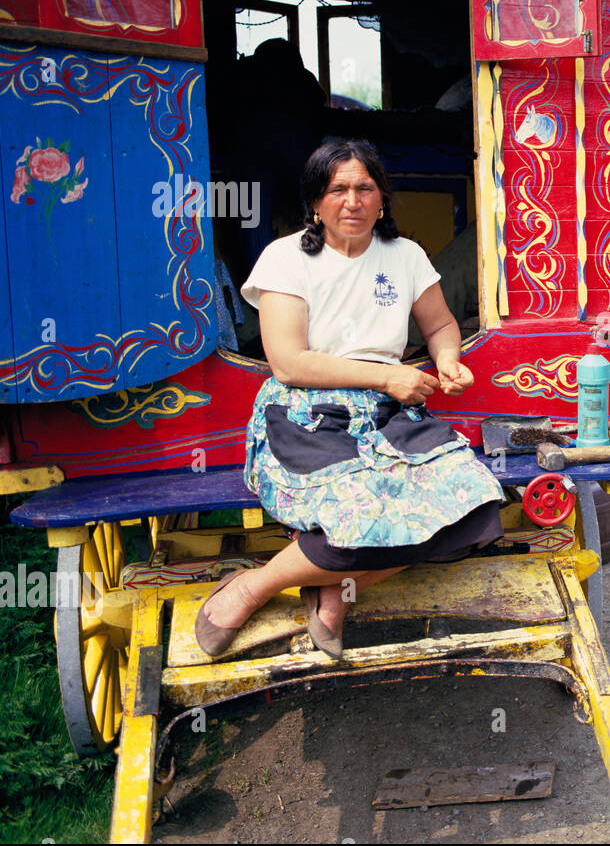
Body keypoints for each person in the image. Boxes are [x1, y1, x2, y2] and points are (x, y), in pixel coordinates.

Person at [195, 139, 506, 660]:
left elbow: (440, 323)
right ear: (315, 201)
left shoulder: (404, 255)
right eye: (337, 189)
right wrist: (387, 378)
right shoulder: (286, 258)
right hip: (308, 415)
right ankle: (254, 587)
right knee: (356, 514)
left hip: (389, 416)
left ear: (382, 196)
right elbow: (289, 363)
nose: (352, 201)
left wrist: (448, 357)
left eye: (365, 187)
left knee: (475, 511)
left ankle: (338, 588)